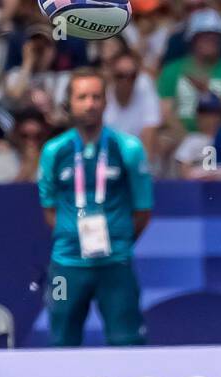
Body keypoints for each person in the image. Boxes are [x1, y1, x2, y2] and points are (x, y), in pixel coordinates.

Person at [38, 69, 152, 347]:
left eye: (96, 97)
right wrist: (72, 237)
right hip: (66, 265)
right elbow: (49, 207)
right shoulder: (54, 150)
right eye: (82, 97)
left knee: (127, 343)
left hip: (115, 263)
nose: (90, 104)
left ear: (105, 102)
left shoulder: (128, 147)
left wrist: (117, 238)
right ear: (69, 103)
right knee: (61, 343)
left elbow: (143, 209)